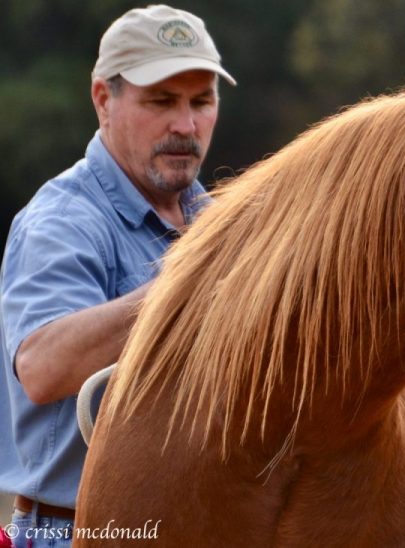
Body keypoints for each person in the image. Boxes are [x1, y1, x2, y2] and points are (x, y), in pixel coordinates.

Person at [0, 5, 235, 546]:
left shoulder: (216, 221)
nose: (186, 125)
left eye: (202, 102)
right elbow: (42, 364)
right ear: (103, 100)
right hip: (78, 529)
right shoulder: (61, 220)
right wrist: (192, 286)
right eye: (162, 102)